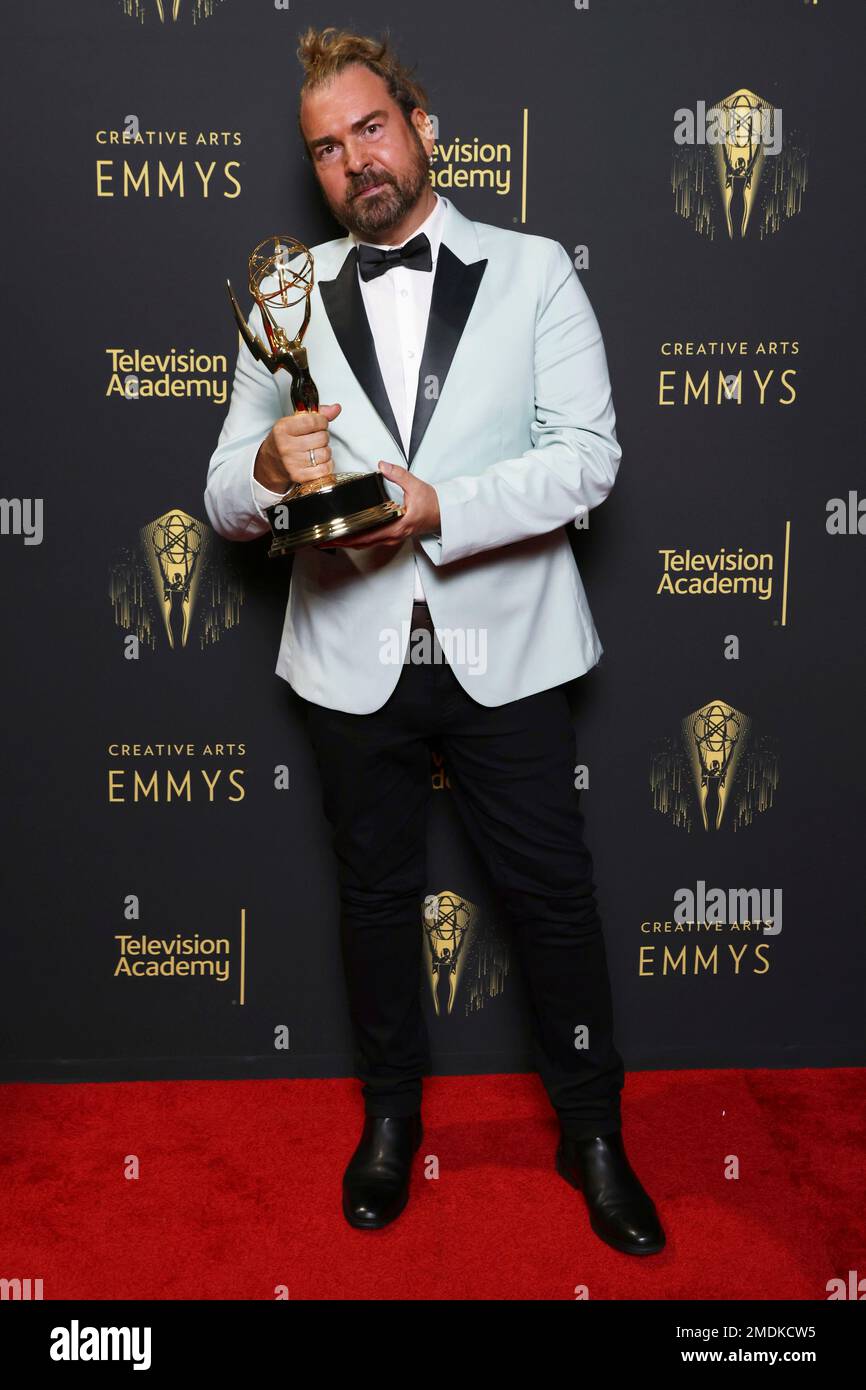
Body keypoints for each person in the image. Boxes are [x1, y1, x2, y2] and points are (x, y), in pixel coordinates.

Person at [205, 24, 665, 1256]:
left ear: (416, 125)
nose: (353, 159)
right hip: (350, 653)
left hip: (503, 645)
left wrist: (441, 507)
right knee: (374, 900)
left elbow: (588, 460)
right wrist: (259, 466)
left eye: (368, 127)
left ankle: (591, 1130)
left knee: (552, 902)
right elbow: (220, 497)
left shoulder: (531, 273)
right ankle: (392, 1120)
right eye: (324, 147)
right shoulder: (280, 296)